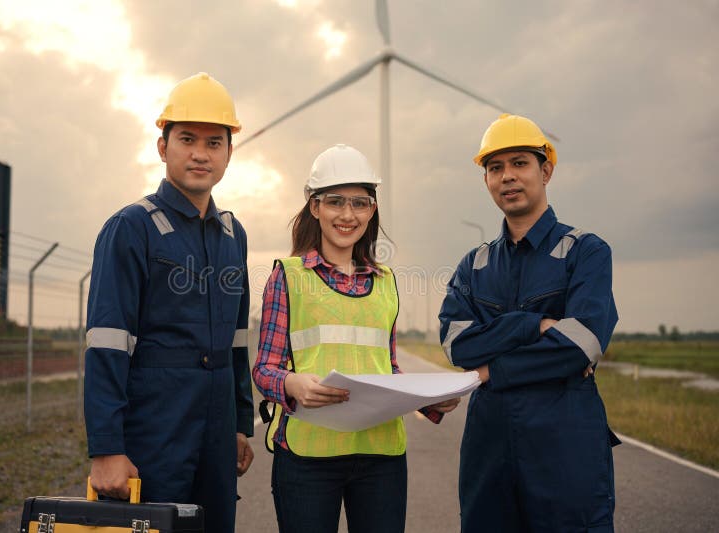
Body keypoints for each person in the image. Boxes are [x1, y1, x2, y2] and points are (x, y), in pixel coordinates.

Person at [253, 144, 460, 533]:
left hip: (381, 456)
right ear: (315, 207)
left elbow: (388, 367)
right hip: (308, 457)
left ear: (372, 210)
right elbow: (264, 368)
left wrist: (429, 399)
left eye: (360, 203)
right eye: (335, 201)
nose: (348, 215)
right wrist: (291, 383)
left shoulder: (386, 283)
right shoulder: (289, 276)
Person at [84, 72, 254, 532]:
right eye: (187, 139)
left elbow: (238, 339)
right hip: (155, 428)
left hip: (217, 429)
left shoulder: (232, 235)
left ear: (229, 153)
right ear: (163, 148)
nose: (201, 153)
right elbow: (107, 343)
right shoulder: (131, 228)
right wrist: (106, 448)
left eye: (214, 142)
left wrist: (240, 422)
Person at [439, 113, 620, 532]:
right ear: (485, 179)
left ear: (546, 170)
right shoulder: (474, 264)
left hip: (565, 445)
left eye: (520, 163)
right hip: (489, 451)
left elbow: (580, 344)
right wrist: (532, 326)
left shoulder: (586, 252)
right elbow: (457, 344)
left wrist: (489, 370)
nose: (508, 177)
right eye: (495, 167)